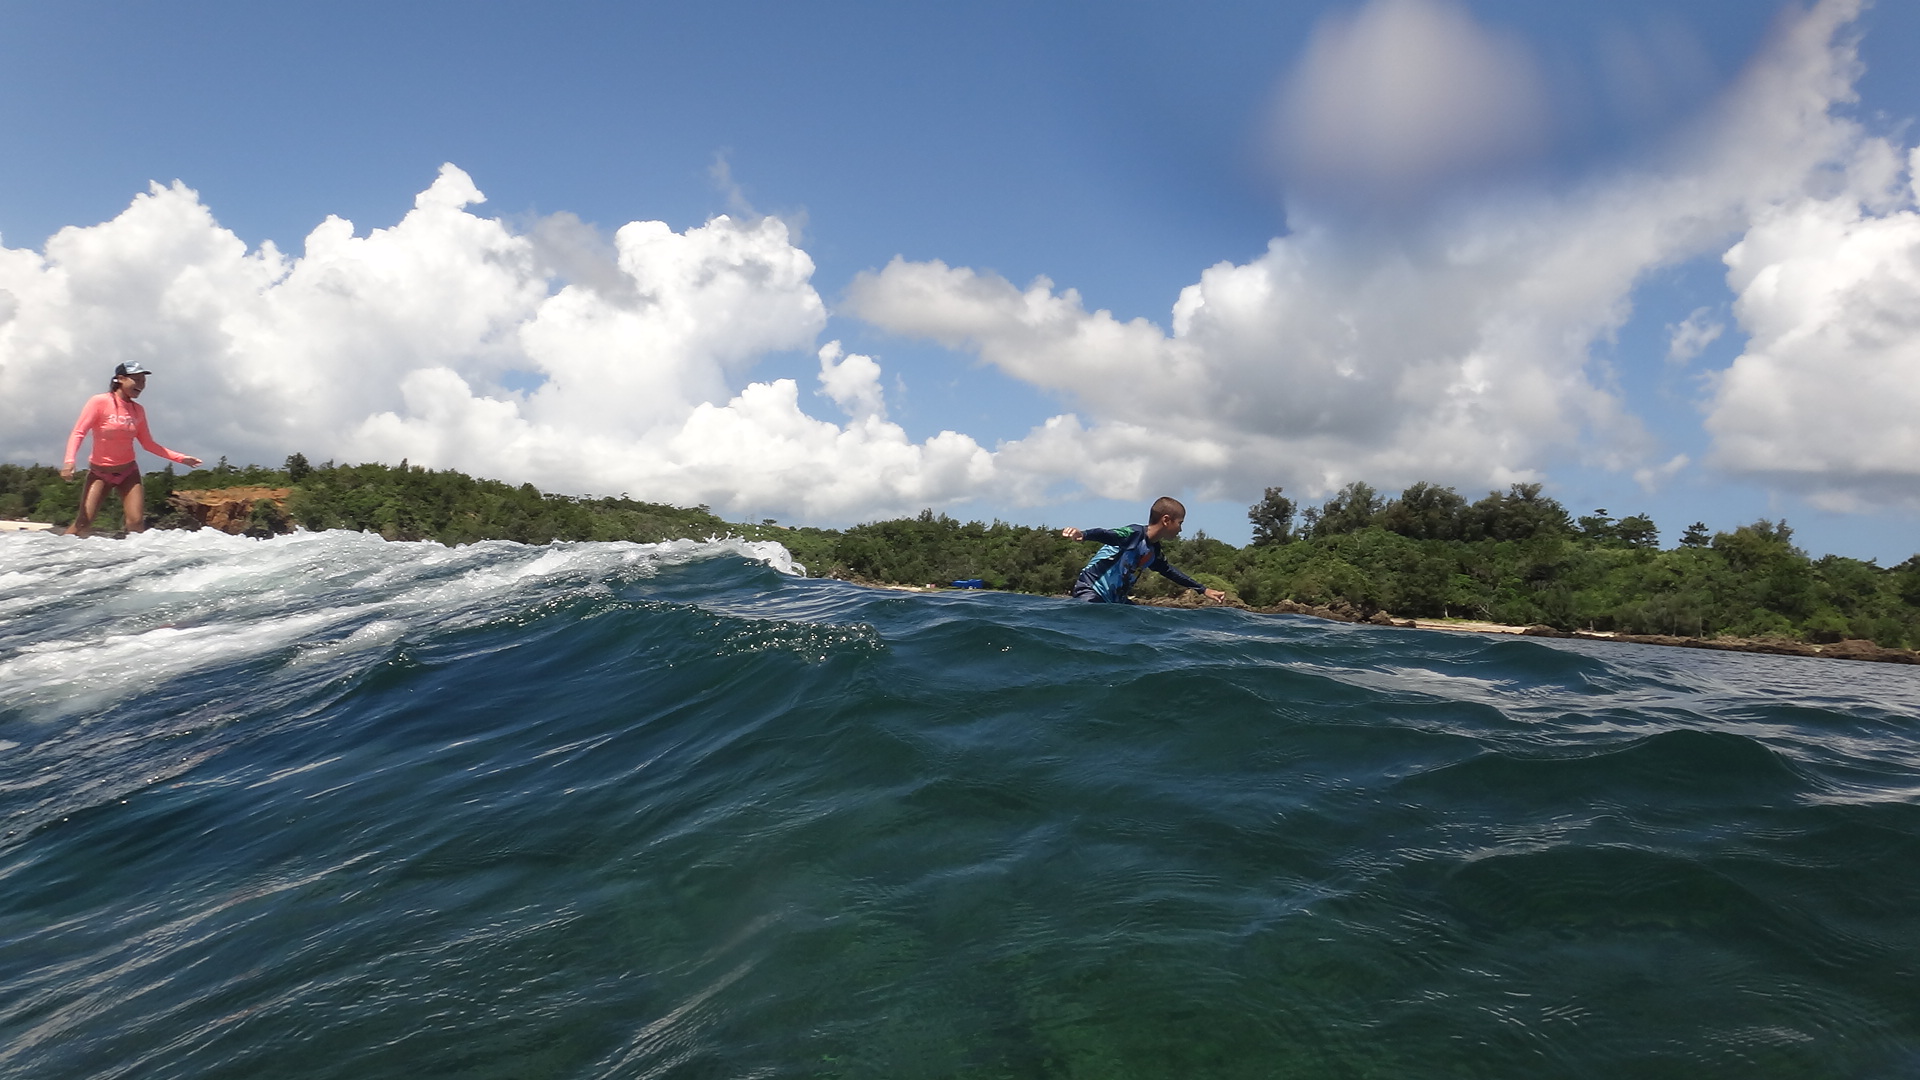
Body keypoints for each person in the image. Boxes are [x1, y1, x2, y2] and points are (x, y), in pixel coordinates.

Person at [60, 362, 202, 537]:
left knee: (135, 523)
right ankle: (58, 553)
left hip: (128, 471)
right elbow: (79, 432)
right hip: (99, 472)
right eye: (137, 380)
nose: (141, 385)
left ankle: (132, 562)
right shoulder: (100, 401)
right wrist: (69, 462)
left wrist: (181, 458)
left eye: (144, 381)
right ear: (120, 379)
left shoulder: (138, 410)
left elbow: (148, 444)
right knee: (83, 522)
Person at [1061, 496, 1229, 604]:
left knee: (1141, 622)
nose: (1180, 530)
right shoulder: (1133, 534)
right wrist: (1083, 534)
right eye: (1180, 523)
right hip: (1091, 591)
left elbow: (1170, 571)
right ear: (1166, 520)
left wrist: (1203, 589)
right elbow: (1107, 534)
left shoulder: (1153, 550)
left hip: (1115, 600)